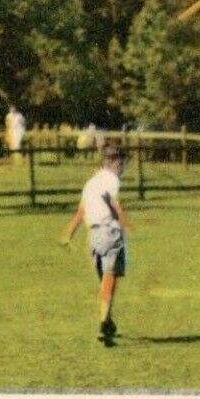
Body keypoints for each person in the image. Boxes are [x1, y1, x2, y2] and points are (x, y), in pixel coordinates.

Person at [62, 146, 130, 346]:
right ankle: (103, 323)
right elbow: (112, 201)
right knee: (110, 280)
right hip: (110, 231)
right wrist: (123, 221)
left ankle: (107, 321)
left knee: (105, 281)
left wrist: (69, 234)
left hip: (93, 236)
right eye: (121, 162)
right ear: (114, 161)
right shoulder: (112, 180)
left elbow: (82, 211)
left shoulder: (90, 183)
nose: (122, 167)